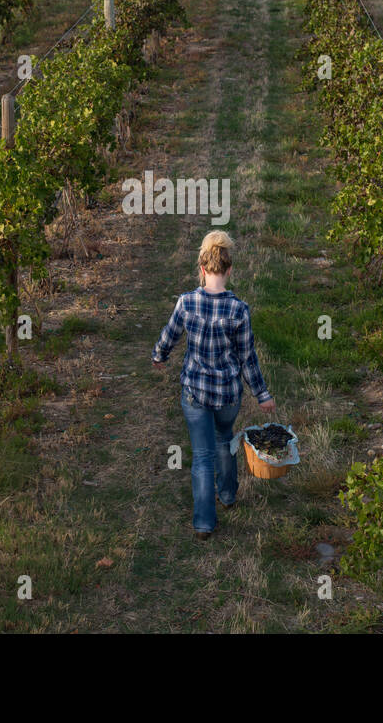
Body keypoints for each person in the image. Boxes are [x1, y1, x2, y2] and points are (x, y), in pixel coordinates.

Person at [152, 231, 275, 539]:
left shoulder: (187, 302)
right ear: (229, 270)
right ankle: (228, 494)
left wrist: (159, 356)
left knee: (203, 456)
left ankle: (205, 523)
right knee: (225, 439)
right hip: (228, 394)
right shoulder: (239, 310)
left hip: (195, 392)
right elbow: (248, 358)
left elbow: (170, 335)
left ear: (202, 269)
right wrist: (262, 395)